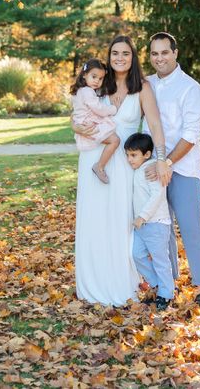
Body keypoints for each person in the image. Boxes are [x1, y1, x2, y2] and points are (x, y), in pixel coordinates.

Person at [73, 35, 168, 307]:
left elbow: (155, 125)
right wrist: (75, 126)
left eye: (125, 53)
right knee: (95, 220)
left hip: (125, 163)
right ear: (109, 56)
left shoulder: (142, 87)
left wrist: (161, 159)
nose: (120, 58)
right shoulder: (98, 83)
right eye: (115, 53)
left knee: (120, 221)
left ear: (133, 57)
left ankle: (121, 282)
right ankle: (93, 282)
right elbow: (78, 112)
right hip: (94, 157)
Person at [143, 32, 200, 306]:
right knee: (161, 229)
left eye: (164, 52)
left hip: (183, 167)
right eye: (154, 53)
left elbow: (191, 135)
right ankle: (167, 283)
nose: (159, 58)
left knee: (189, 225)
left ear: (175, 53)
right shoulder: (146, 84)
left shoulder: (191, 89)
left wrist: (167, 162)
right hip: (152, 168)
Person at [125, 132, 174, 311]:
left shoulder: (151, 169)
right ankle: (156, 285)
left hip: (156, 223)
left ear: (146, 154)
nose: (129, 159)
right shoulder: (137, 170)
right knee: (136, 255)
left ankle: (166, 294)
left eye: (133, 155)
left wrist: (142, 216)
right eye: (127, 155)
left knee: (161, 260)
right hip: (142, 226)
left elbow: (157, 195)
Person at [70, 59, 119, 184]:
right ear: (84, 74)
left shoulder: (79, 91)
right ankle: (100, 166)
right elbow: (99, 110)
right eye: (94, 76)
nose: (97, 81)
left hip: (83, 123)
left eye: (100, 78)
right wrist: (113, 108)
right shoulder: (87, 91)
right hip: (90, 125)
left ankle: (99, 166)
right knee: (115, 140)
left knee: (113, 140)